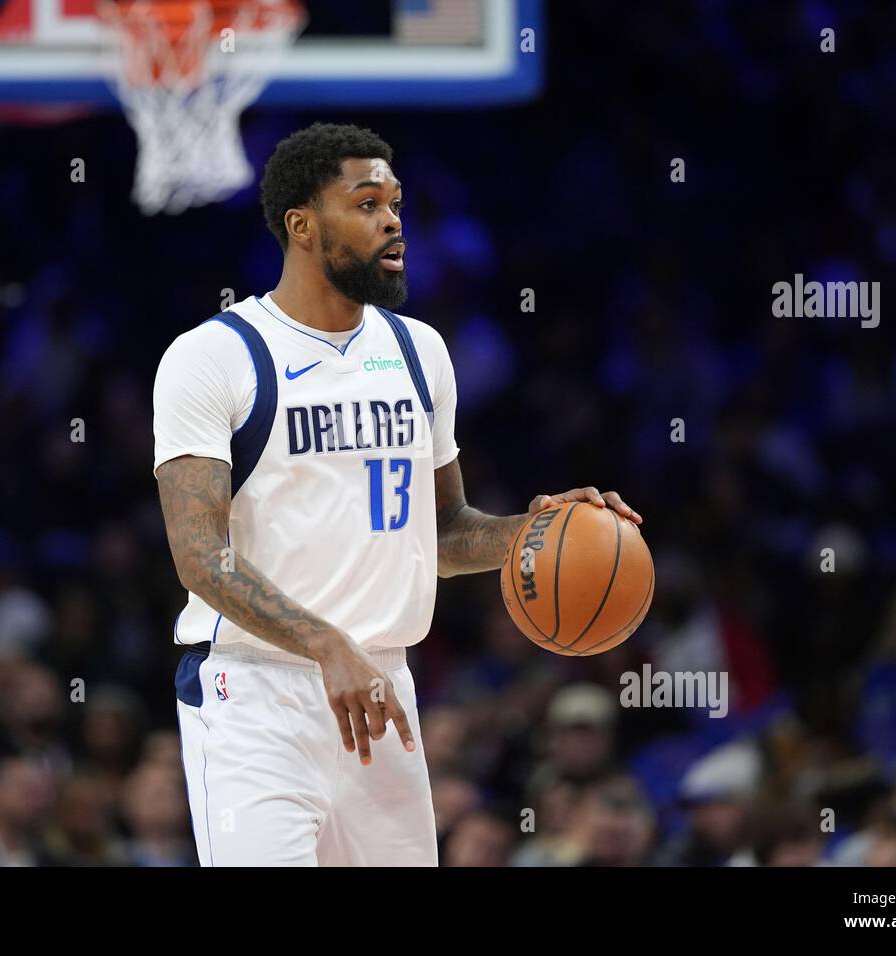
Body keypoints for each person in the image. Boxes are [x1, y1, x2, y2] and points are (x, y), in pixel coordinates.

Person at [151, 122, 642, 866]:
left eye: (396, 203)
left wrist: (541, 532)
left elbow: (441, 532)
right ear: (303, 225)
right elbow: (198, 557)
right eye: (367, 202)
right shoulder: (213, 356)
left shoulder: (419, 351)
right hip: (254, 696)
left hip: (382, 689)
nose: (392, 221)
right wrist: (324, 644)